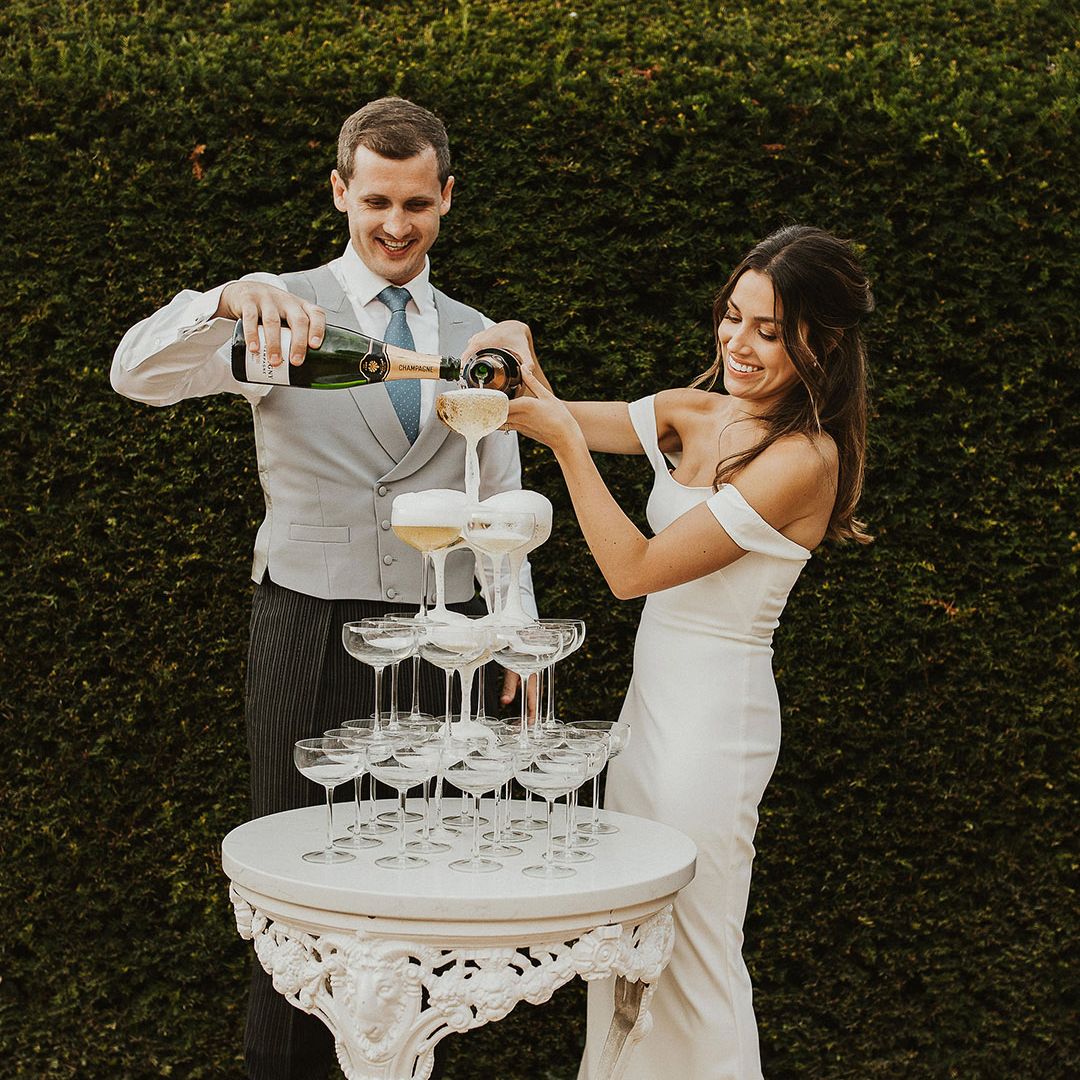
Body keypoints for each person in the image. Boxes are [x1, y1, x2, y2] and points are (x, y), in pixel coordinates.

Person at [111, 97, 535, 1080]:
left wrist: (510, 627)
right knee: (300, 881)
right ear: (341, 190)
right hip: (306, 619)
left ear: (447, 200)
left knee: (431, 872)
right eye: (376, 200)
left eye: (417, 204)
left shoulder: (480, 333)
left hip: (445, 631)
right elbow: (136, 377)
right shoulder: (281, 311)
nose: (396, 225)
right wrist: (215, 301)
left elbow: (498, 490)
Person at [466, 224, 874, 1079]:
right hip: (647, 717)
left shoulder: (806, 458)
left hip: (715, 727)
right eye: (734, 319)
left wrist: (569, 449)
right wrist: (513, 352)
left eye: (770, 330)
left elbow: (633, 570)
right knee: (628, 947)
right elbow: (536, 413)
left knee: (692, 953)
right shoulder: (695, 411)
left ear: (822, 343)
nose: (739, 344)